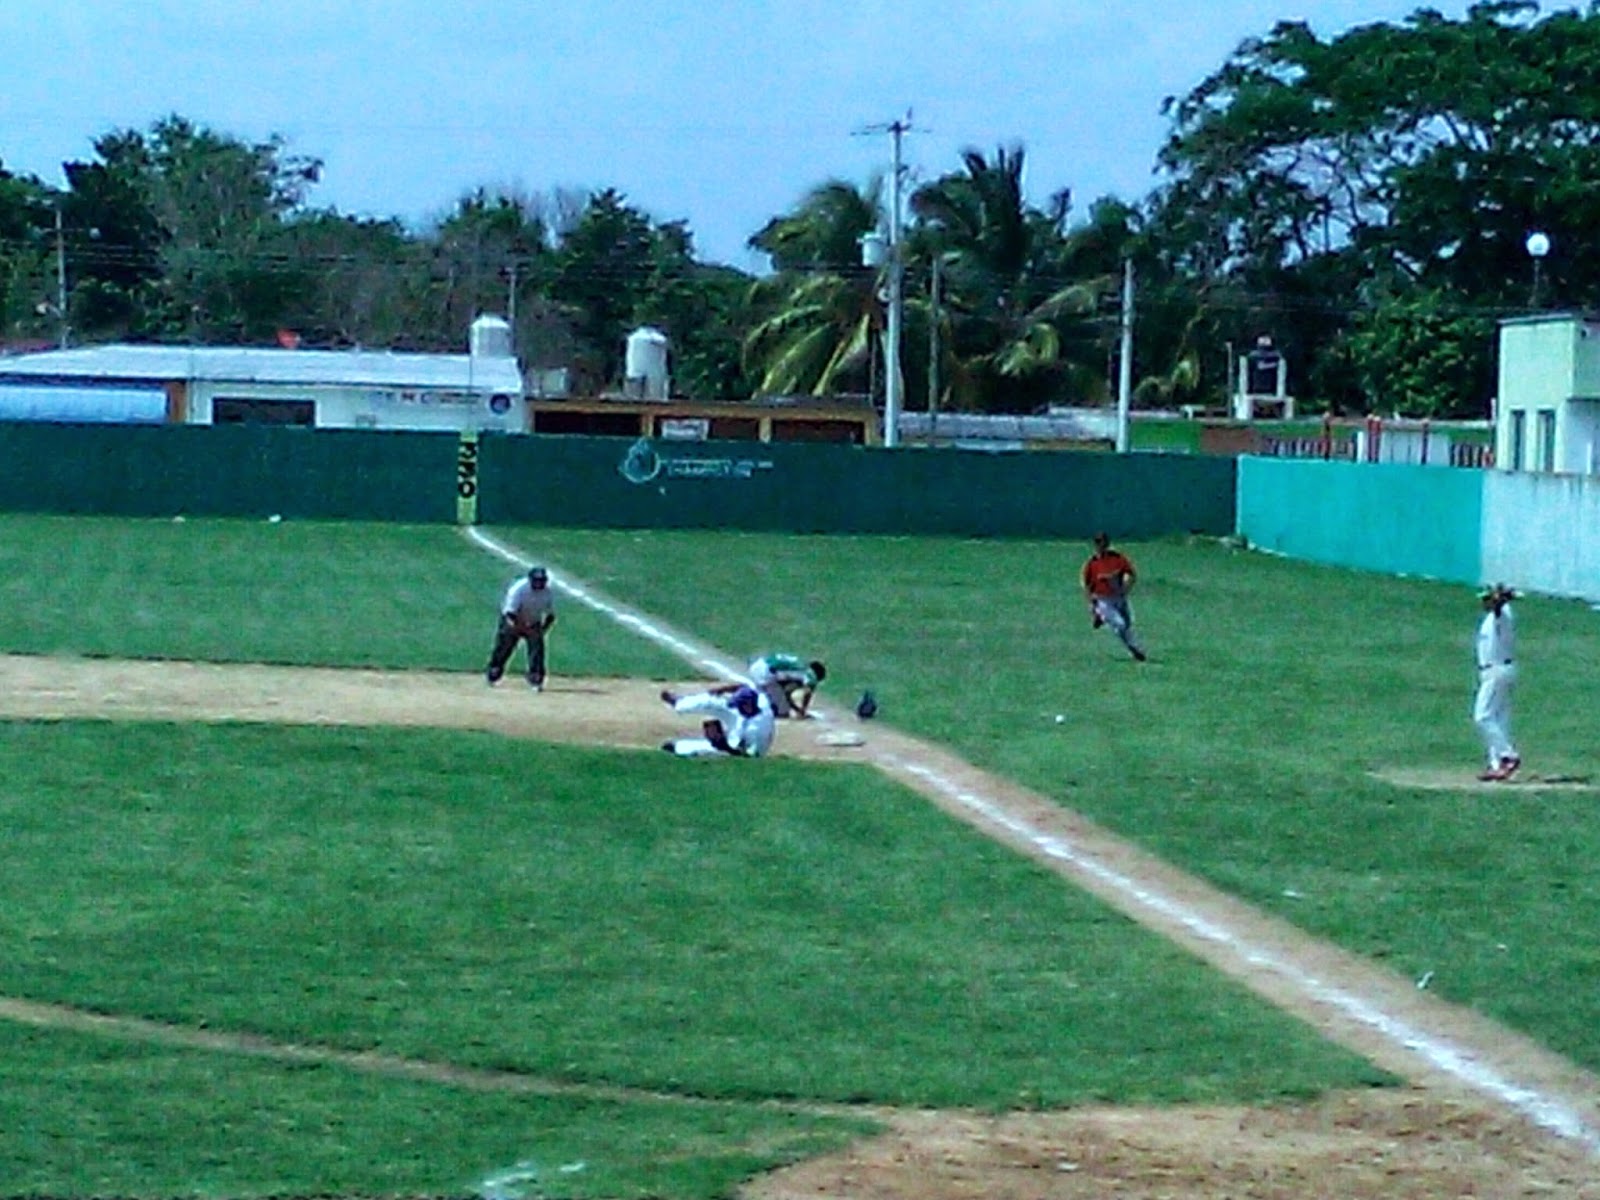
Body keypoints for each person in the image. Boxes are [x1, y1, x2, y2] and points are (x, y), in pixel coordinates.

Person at [1473, 583, 1521, 782]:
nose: (1484, 602)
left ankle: (1509, 756)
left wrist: (1501, 598)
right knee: (1498, 719)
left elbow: (1500, 608)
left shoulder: (1502, 615)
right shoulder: (1491, 618)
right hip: (1493, 671)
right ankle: (1496, 765)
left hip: (1497, 670)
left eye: (1487, 599)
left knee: (1482, 716)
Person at [485, 565, 557, 690]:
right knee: (505, 645)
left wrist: (542, 630)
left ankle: (536, 678)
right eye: (537, 581)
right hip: (514, 619)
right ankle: (494, 672)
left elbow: (550, 615)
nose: (539, 584)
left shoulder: (547, 593)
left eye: (542, 581)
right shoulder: (518, 590)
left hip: (534, 621)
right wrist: (519, 627)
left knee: (537, 650)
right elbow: (509, 614)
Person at [659, 683, 776, 758]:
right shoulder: (761, 701)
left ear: (747, 706)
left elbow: (748, 756)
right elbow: (744, 687)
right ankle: (681, 703)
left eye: (739, 704)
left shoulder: (756, 731)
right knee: (713, 700)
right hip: (744, 719)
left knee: (716, 752)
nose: (736, 706)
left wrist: (722, 744)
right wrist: (721, 690)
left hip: (746, 745)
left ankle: (679, 747)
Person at [1081, 532, 1146, 661]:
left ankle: (1103, 618)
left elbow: (1132, 574)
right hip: (1103, 599)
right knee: (1120, 624)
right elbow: (1087, 586)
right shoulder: (1092, 563)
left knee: (1127, 624)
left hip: (1119, 598)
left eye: (1103, 542)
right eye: (1098, 542)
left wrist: (1126, 588)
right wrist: (1092, 605)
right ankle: (1135, 648)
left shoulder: (1117, 558)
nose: (1101, 545)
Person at [748, 653, 827, 718]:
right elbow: (790, 692)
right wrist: (801, 710)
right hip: (764, 674)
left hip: (759, 666)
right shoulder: (809, 674)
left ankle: (761, 699)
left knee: (774, 696)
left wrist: (799, 709)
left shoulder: (799, 664)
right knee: (783, 712)